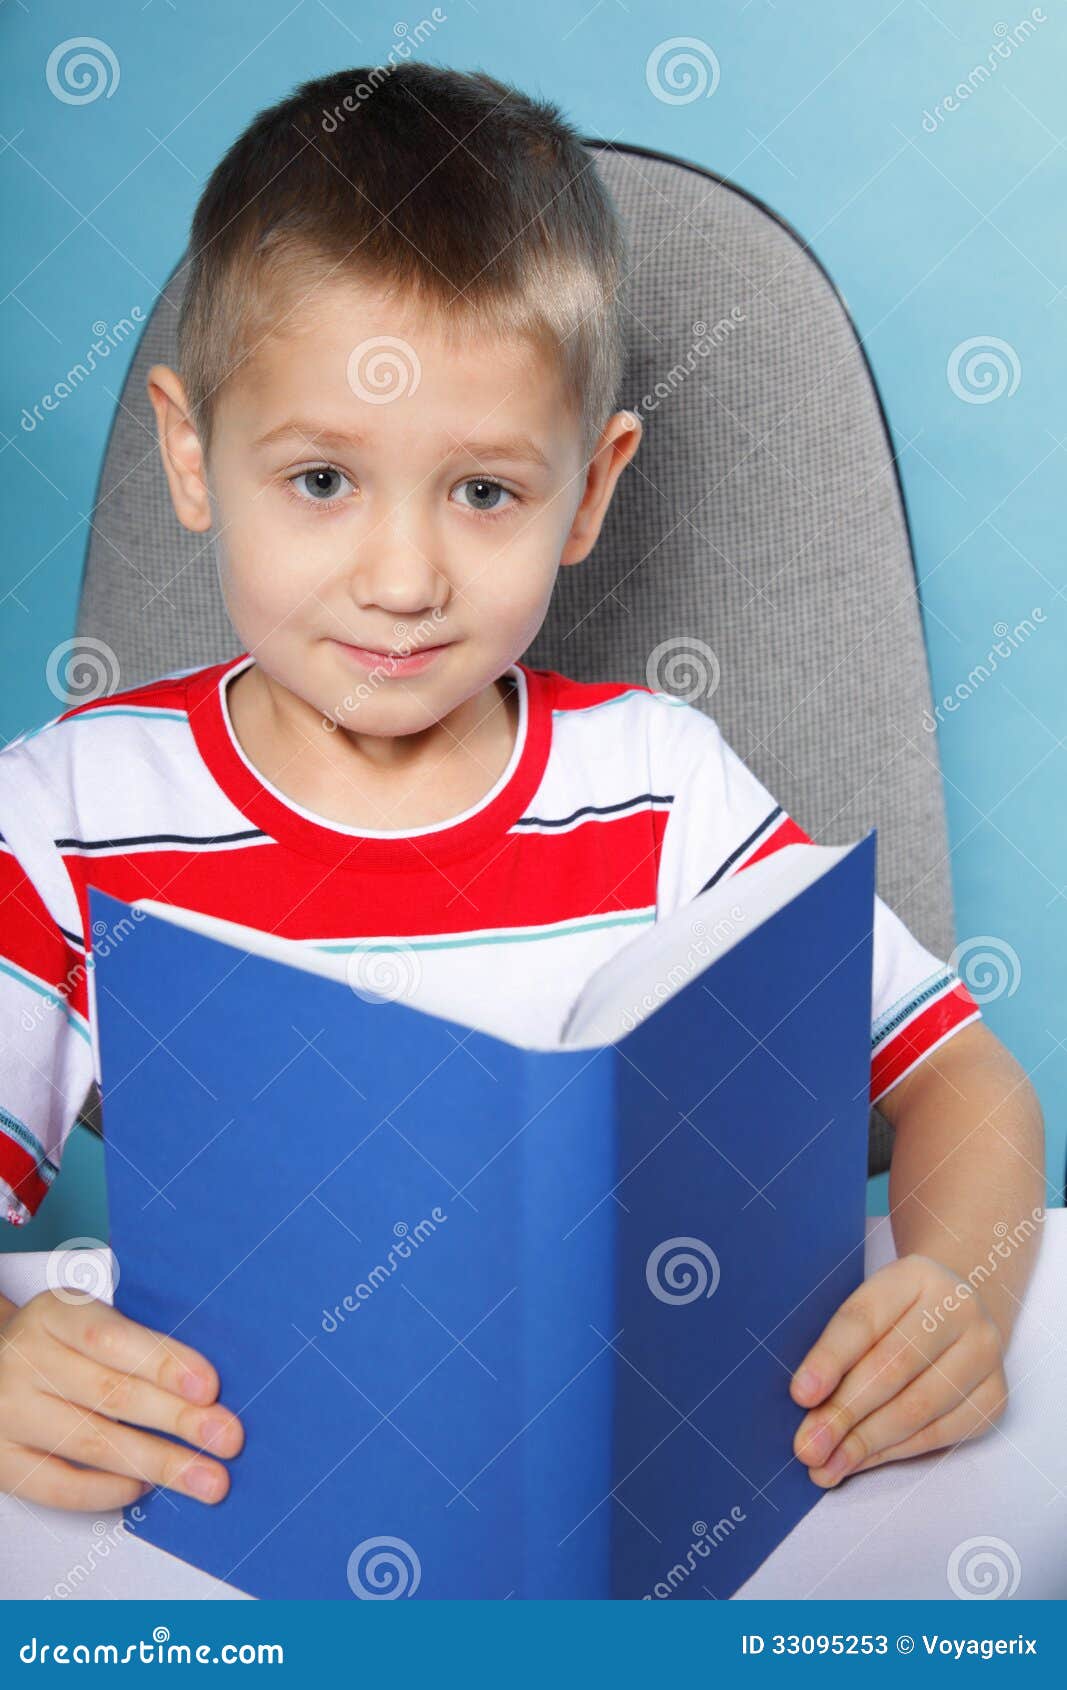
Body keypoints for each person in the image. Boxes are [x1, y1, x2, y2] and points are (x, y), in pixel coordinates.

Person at [0, 63, 1044, 1520]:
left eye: (484, 491)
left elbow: (959, 1078)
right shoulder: (65, 819)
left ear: (591, 488)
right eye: (320, 480)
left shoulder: (660, 786)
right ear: (192, 452)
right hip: (230, 1535)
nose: (404, 578)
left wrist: (955, 1293)